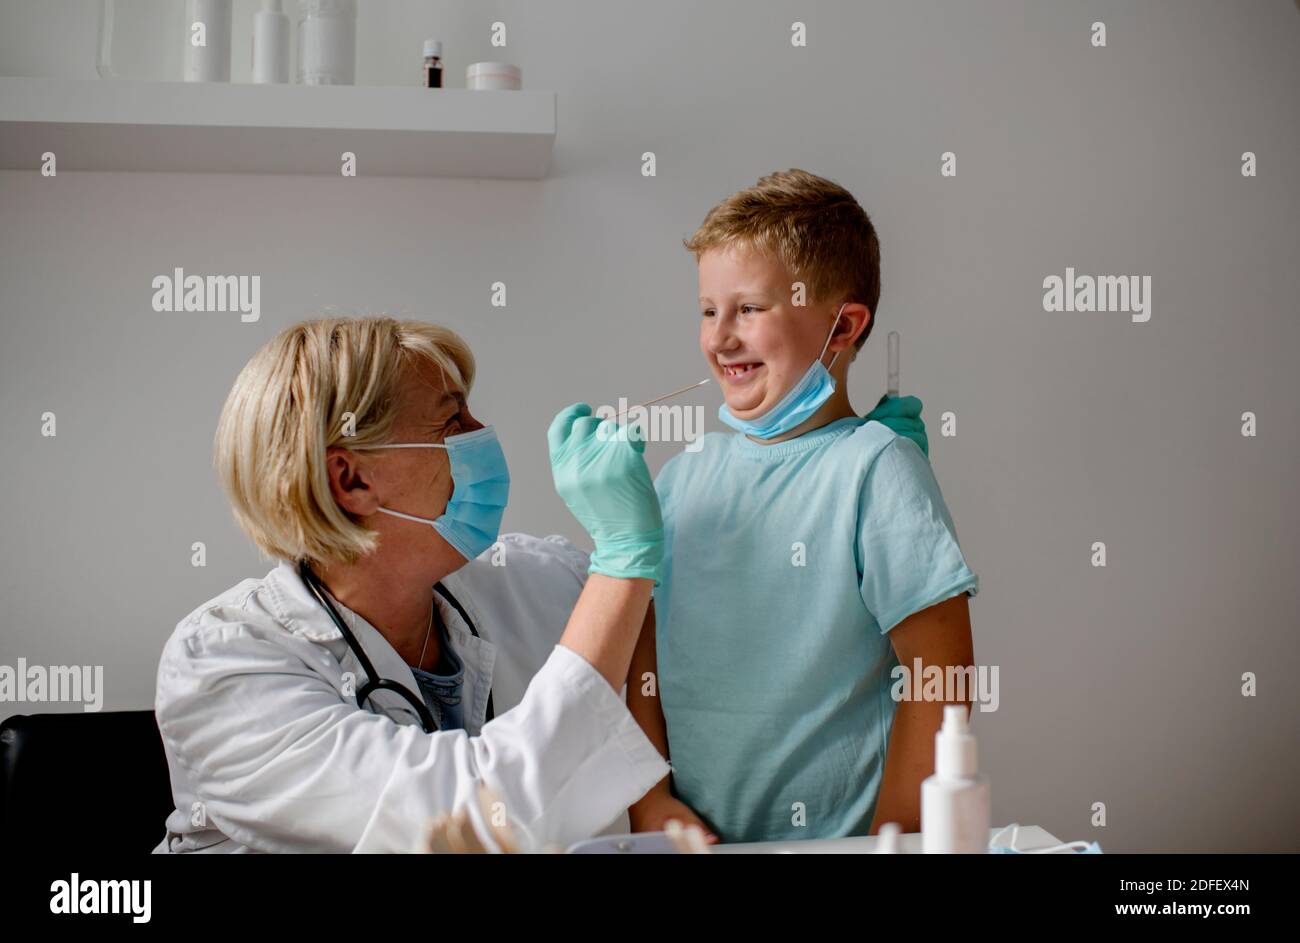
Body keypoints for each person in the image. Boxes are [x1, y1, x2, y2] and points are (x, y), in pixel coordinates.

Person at [154, 317, 670, 853]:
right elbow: (476, 821)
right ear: (351, 480)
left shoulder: (530, 578)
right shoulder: (223, 668)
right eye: (451, 420)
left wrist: (652, 798)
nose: (482, 433)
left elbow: (630, 616)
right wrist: (625, 561)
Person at [627, 170, 978, 843]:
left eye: (749, 309)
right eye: (708, 309)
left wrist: (891, 838)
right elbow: (640, 656)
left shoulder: (876, 468)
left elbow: (941, 678)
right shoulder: (680, 479)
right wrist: (651, 801)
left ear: (842, 326)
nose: (720, 337)